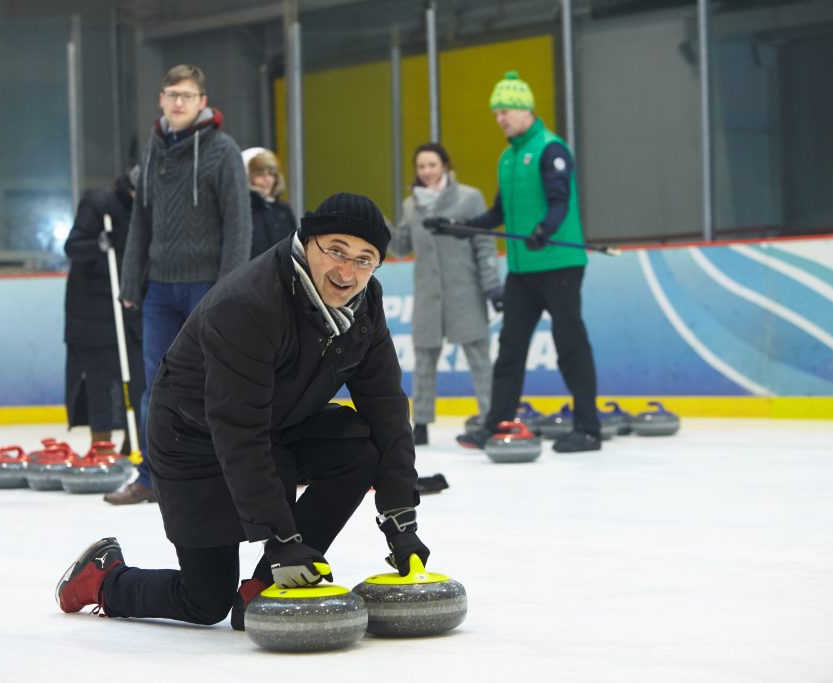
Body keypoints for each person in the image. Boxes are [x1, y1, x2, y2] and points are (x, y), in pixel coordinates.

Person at [55, 193, 429, 631]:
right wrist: (280, 539)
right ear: (308, 243)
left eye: (365, 260)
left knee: (362, 445)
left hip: (277, 426)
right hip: (193, 440)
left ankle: (265, 586)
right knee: (205, 600)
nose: (347, 272)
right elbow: (238, 428)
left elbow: (385, 407)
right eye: (336, 250)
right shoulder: (251, 302)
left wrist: (400, 519)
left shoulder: (364, 306)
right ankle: (103, 579)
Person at [429, 71, 602, 453]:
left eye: (505, 110)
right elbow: (497, 214)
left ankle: (588, 428)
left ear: (525, 110)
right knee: (510, 349)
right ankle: (496, 424)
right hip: (523, 271)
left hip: (559, 263)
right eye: (496, 112)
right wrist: (457, 227)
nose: (499, 118)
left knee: (570, 345)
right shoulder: (508, 158)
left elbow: (560, 202)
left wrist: (544, 230)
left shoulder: (550, 149)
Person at [115, 64, 252, 505]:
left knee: (212, 384)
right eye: (171, 94)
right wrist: (131, 279)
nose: (178, 102)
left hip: (206, 288)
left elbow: (238, 225)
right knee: (156, 385)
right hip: (159, 289)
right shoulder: (154, 151)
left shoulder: (223, 151)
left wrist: (228, 289)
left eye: (187, 96)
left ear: (202, 101)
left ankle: (214, 475)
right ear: (161, 99)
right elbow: (141, 221)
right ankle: (152, 478)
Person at [389, 143, 501, 446]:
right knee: (424, 358)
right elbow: (400, 246)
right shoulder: (411, 205)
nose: (426, 171)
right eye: (421, 166)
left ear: (444, 166)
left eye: (432, 165)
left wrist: (492, 285)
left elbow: (484, 244)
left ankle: (491, 417)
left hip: (465, 290)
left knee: (479, 356)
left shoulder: (469, 198)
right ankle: (421, 423)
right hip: (428, 294)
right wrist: (380, 227)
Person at [63, 167, 145, 452]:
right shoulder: (99, 203)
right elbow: (73, 247)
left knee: (137, 377)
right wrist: (99, 244)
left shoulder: (151, 207)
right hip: (93, 312)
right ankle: (101, 444)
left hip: (132, 308)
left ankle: (133, 440)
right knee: (100, 379)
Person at [243, 148, 297, 258]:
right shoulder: (245, 210)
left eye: (271, 174)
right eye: (260, 175)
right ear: (250, 178)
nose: (266, 180)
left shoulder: (283, 210)